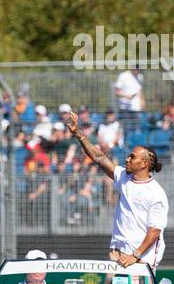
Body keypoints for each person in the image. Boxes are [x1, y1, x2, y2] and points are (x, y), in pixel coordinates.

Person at [64, 111, 167, 268]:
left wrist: (135, 255)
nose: (127, 159)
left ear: (144, 163)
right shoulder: (124, 177)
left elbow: (154, 231)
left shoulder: (156, 193)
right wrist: (79, 134)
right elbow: (99, 158)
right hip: (118, 253)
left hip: (141, 258)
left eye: (132, 157)